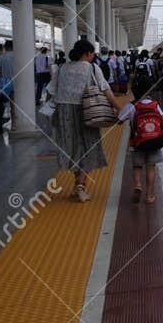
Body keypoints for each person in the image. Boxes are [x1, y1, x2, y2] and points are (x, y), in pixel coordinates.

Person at [50, 39, 119, 202]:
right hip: (87, 111)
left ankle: (76, 185)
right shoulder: (93, 68)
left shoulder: (62, 68)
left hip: (63, 112)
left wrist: (51, 112)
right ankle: (81, 186)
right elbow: (106, 89)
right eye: (92, 53)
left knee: (73, 148)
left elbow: (51, 90)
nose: (94, 56)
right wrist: (119, 108)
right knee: (88, 147)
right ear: (87, 53)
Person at [123, 82, 163, 205]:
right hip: (154, 142)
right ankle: (149, 196)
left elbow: (119, 120)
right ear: (149, 91)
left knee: (137, 166)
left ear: (134, 92)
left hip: (137, 143)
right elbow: (161, 120)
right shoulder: (155, 105)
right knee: (151, 168)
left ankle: (138, 185)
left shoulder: (132, 106)